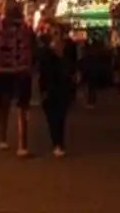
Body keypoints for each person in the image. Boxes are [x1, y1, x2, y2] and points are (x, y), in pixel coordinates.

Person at [0, 0, 37, 156]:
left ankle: (3, 138)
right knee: (22, 108)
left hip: (1, 69)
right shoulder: (24, 28)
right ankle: (22, 145)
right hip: (21, 69)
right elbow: (31, 48)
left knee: (3, 106)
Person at [37, 27, 77, 157]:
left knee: (61, 118)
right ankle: (57, 143)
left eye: (58, 34)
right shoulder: (45, 54)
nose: (57, 37)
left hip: (63, 89)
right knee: (53, 118)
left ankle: (59, 143)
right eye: (54, 34)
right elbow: (43, 74)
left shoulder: (68, 51)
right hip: (50, 90)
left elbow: (71, 69)